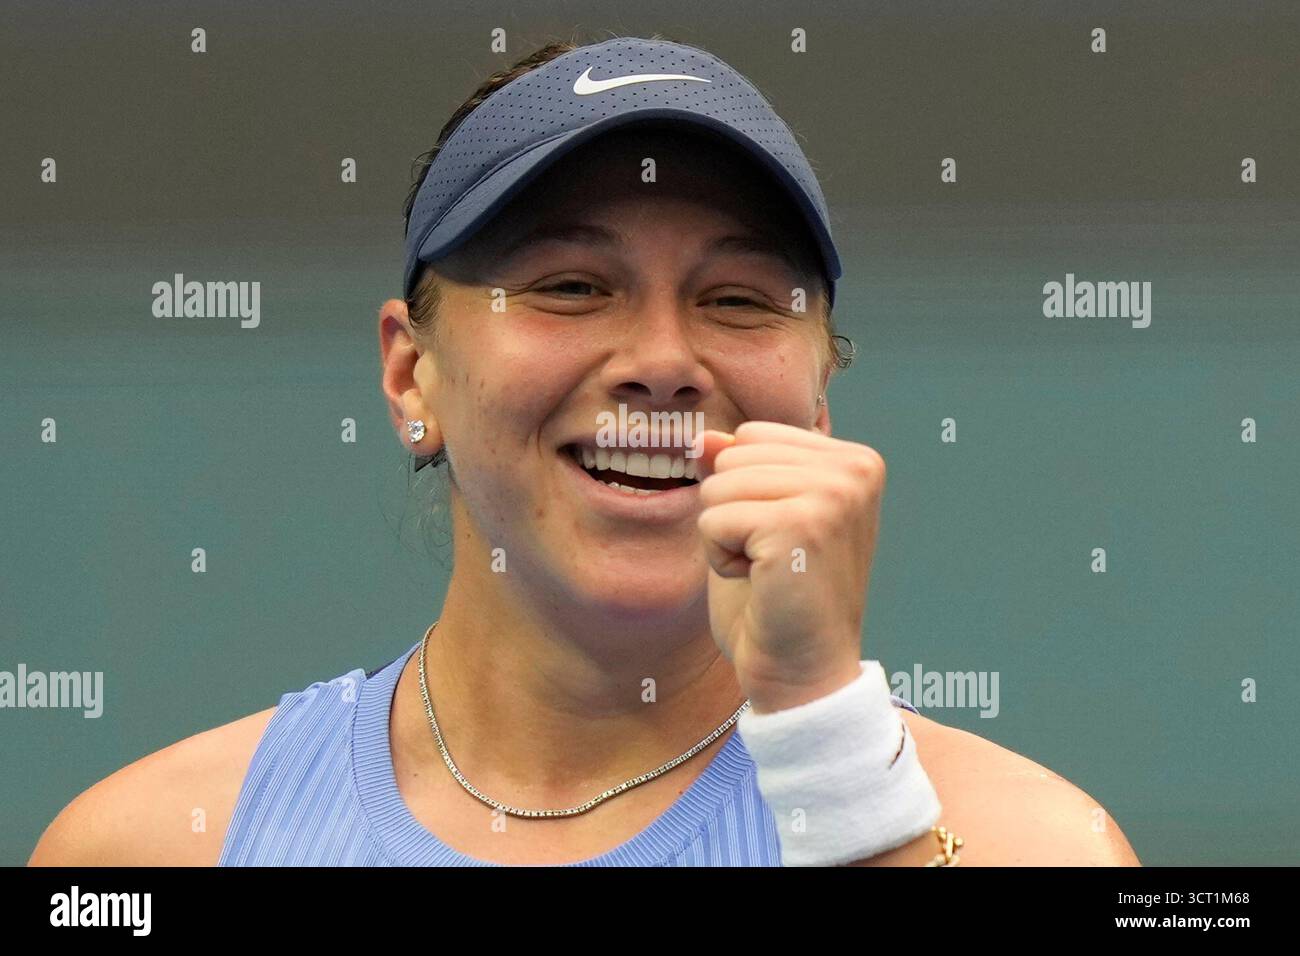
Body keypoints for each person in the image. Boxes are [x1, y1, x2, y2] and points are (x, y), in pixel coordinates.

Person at [30, 34, 1140, 867]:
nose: (662, 358)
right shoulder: (146, 849)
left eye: (739, 298)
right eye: (569, 285)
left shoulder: (1031, 843)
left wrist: (826, 741)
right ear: (411, 371)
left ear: (817, 397)